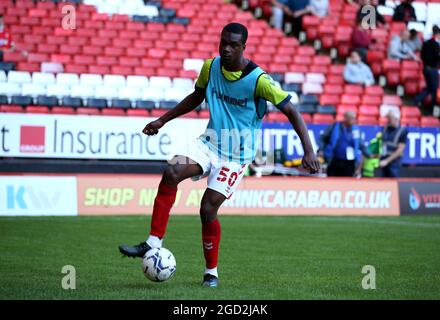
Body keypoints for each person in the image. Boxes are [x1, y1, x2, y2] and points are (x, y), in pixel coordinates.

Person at [118, 23, 320, 288]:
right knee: (172, 171)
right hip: (210, 143)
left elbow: (292, 111)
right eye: (223, 42)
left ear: (243, 47)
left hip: (236, 156)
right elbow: (196, 96)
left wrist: (308, 150)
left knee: (207, 208)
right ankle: (153, 242)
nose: (225, 48)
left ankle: (211, 272)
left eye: (232, 44)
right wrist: (162, 120)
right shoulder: (210, 67)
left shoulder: (259, 80)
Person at [321, 111, 363, 177]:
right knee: (331, 181)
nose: (354, 120)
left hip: (349, 162)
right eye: (352, 118)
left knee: (347, 182)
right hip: (334, 160)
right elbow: (323, 138)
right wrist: (321, 150)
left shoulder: (356, 130)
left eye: (354, 118)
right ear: (345, 118)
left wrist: (369, 154)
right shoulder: (334, 126)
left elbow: (360, 144)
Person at [414, 25, 440, 116]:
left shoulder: (426, 43)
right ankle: (432, 108)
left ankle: (418, 100)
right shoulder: (436, 44)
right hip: (432, 69)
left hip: (425, 69)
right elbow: (437, 57)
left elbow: (422, 56)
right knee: (433, 89)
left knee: (430, 88)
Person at [379, 111, 408, 177]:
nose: (388, 121)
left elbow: (400, 150)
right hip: (383, 160)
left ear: (396, 119)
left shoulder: (402, 131)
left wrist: (387, 161)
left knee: (393, 181)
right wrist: (381, 157)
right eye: (387, 118)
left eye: (390, 118)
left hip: (394, 162)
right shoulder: (384, 129)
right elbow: (383, 144)